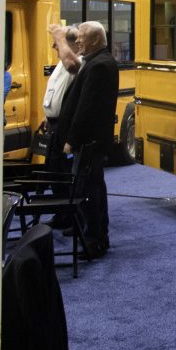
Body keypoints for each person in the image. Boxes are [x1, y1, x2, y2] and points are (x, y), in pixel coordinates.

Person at [56, 21, 119, 257]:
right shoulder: (96, 62)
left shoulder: (99, 65)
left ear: (94, 40)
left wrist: (72, 139)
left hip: (89, 143)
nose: (78, 41)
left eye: (81, 37)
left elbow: (87, 107)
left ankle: (94, 241)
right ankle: (94, 237)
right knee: (92, 190)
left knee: (89, 193)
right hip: (91, 143)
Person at [43, 25, 82, 224]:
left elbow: (73, 67)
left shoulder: (77, 61)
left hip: (63, 126)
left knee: (60, 173)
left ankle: (68, 215)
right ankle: (62, 213)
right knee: (54, 171)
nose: (54, 47)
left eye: (58, 44)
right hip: (53, 124)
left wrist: (60, 38)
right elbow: (56, 91)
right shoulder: (62, 61)